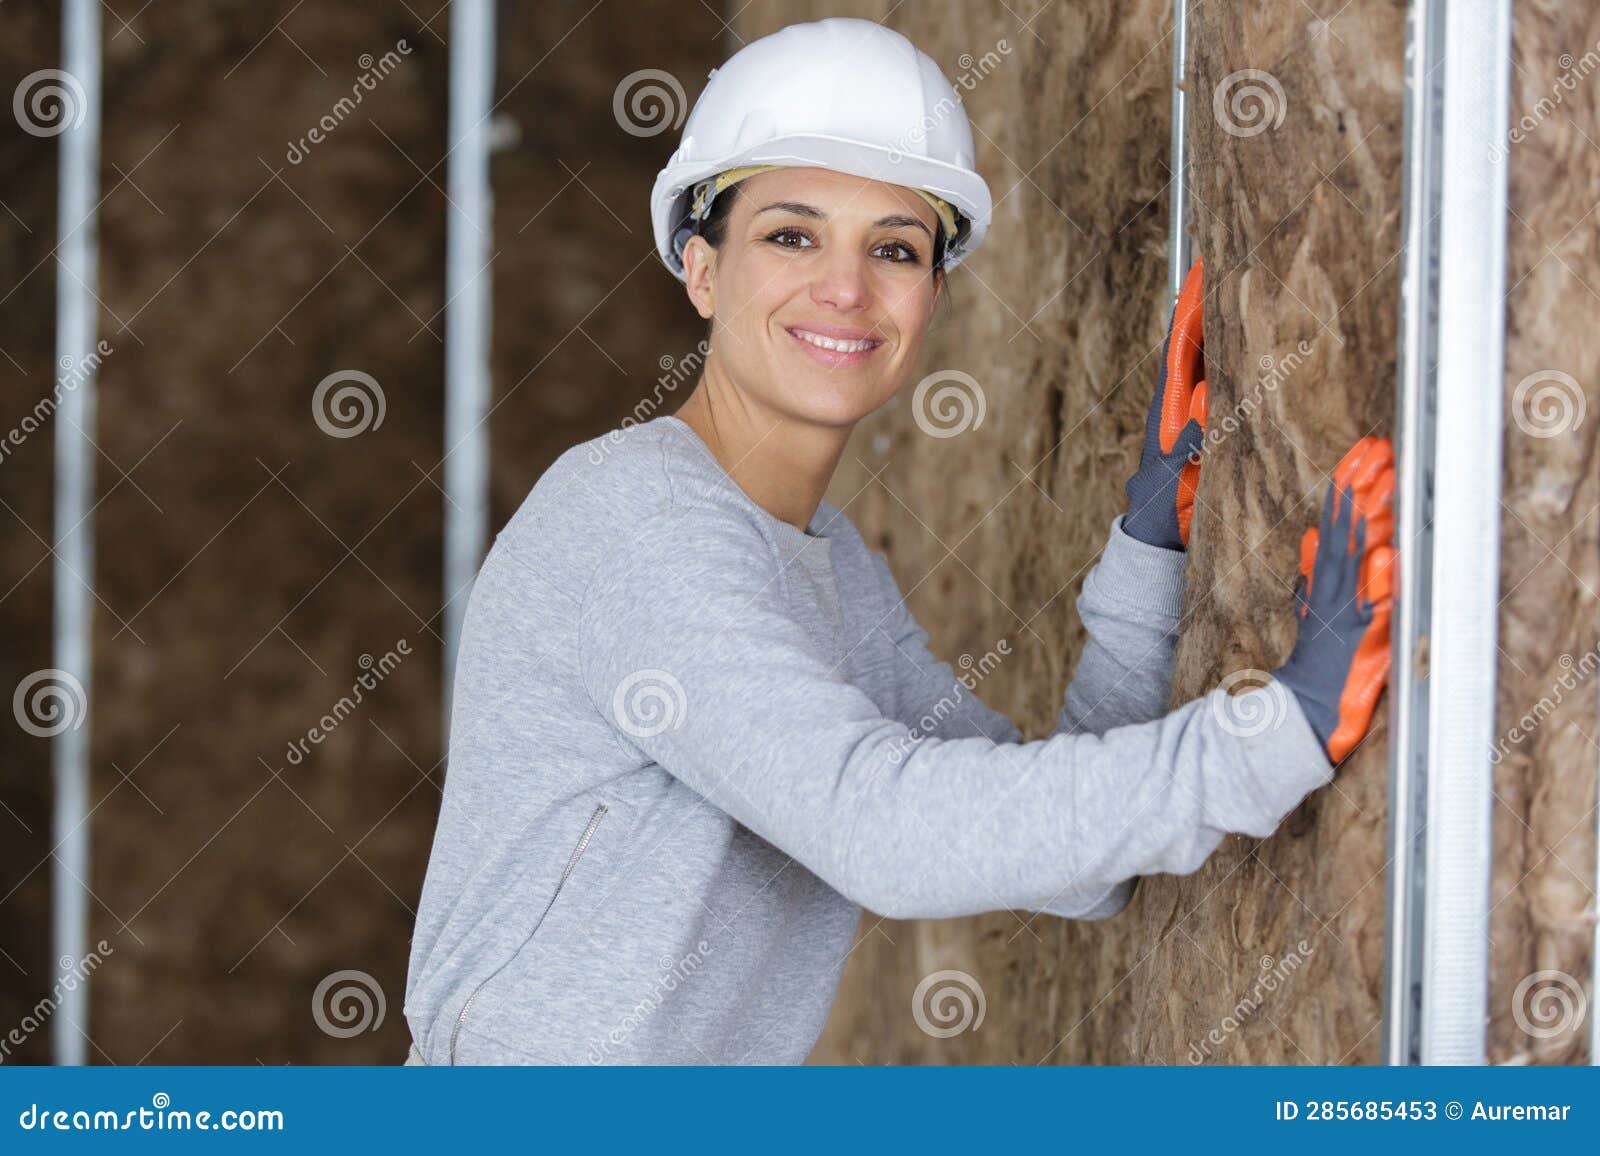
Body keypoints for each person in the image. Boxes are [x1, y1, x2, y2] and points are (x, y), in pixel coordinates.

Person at [401, 16, 1395, 1066]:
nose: (846, 287)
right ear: (700, 268)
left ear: (930, 297)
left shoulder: (829, 572)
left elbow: (1069, 864)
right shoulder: (635, 521)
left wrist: (1148, 554)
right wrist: (1282, 728)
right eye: (792, 234)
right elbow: (878, 833)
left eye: (893, 247)